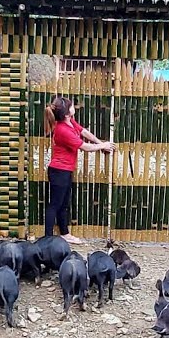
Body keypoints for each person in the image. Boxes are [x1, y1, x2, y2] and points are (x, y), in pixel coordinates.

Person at [44, 96, 114, 244]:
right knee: (55, 205)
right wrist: (103, 146)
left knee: (63, 204)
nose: (73, 106)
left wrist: (100, 142)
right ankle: (47, 239)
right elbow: (85, 147)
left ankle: (64, 234)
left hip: (65, 170)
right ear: (67, 113)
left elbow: (83, 132)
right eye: (71, 106)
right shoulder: (63, 129)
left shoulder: (69, 122)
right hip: (59, 171)